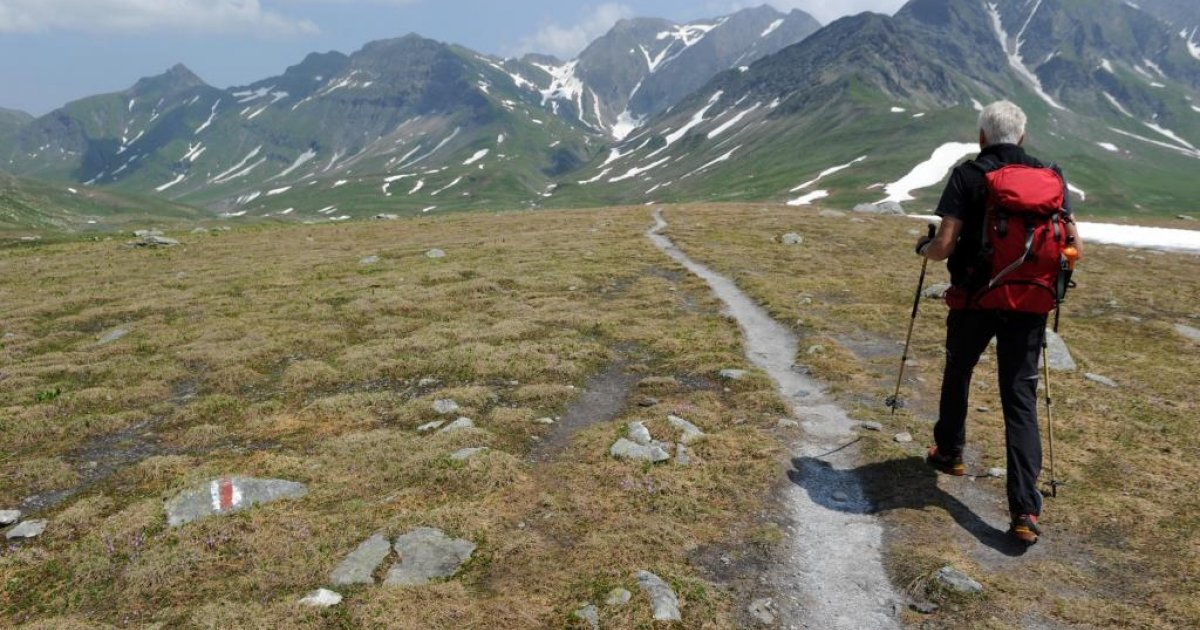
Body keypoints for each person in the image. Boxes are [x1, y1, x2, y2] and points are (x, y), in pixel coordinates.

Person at [914, 100, 1082, 545]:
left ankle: (950, 452)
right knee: (1020, 399)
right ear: (1023, 136)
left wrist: (924, 248)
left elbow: (946, 245)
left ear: (982, 136)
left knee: (959, 371)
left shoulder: (969, 174)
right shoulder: (1051, 178)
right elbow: (1072, 243)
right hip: (1029, 302)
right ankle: (1025, 510)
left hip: (974, 299)